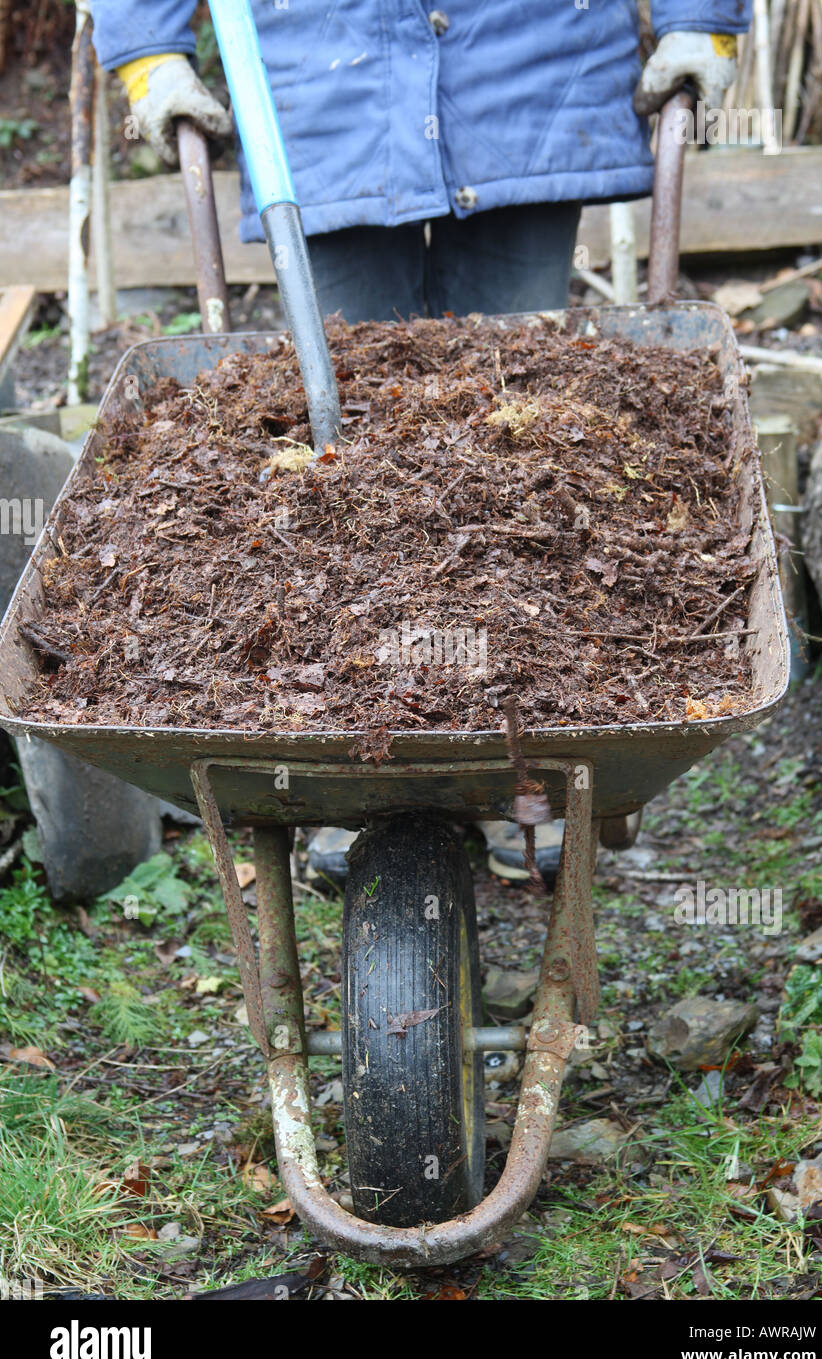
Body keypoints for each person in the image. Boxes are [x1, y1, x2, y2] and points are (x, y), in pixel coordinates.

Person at [90, 1, 749, 882]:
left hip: (528, 70)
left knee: (530, 461)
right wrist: (151, 54)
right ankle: (339, 769)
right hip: (326, 85)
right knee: (333, 468)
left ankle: (534, 767)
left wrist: (698, 20)